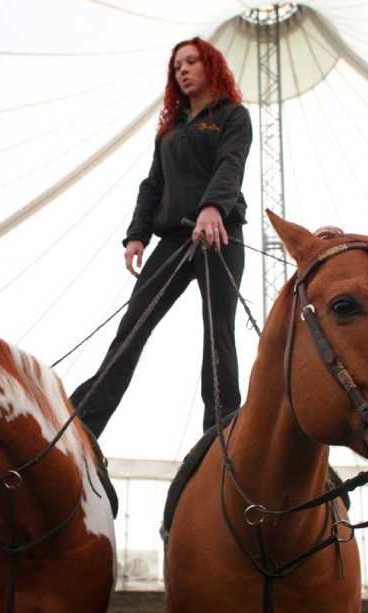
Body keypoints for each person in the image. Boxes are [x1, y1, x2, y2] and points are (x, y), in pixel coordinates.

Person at [69, 36, 252, 437]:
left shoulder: (232, 116)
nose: (182, 70)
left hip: (220, 234)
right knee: (131, 328)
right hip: (172, 239)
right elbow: (153, 185)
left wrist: (213, 208)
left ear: (211, 66)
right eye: (177, 66)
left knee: (218, 333)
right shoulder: (169, 130)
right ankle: (82, 421)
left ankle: (220, 432)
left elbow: (230, 163)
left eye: (191, 62)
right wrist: (137, 235)